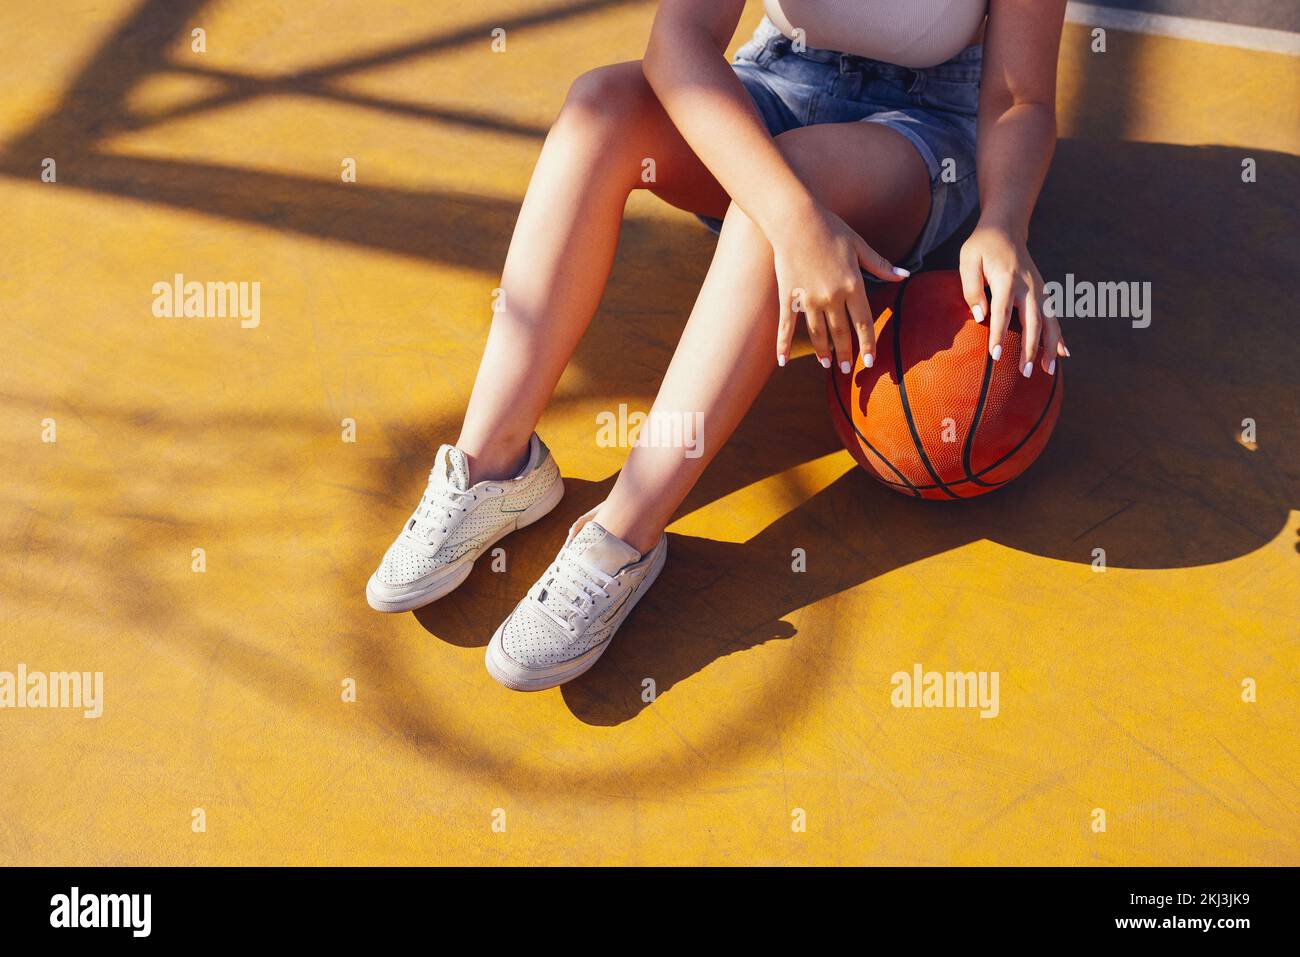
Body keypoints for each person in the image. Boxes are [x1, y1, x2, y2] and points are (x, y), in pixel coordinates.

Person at [367, 0, 1070, 691]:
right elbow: (679, 39)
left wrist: (1004, 221)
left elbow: (1018, 96)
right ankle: (496, 463)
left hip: (924, 132)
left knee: (797, 173)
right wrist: (794, 219)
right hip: (781, 81)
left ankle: (623, 537)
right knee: (601, 106)